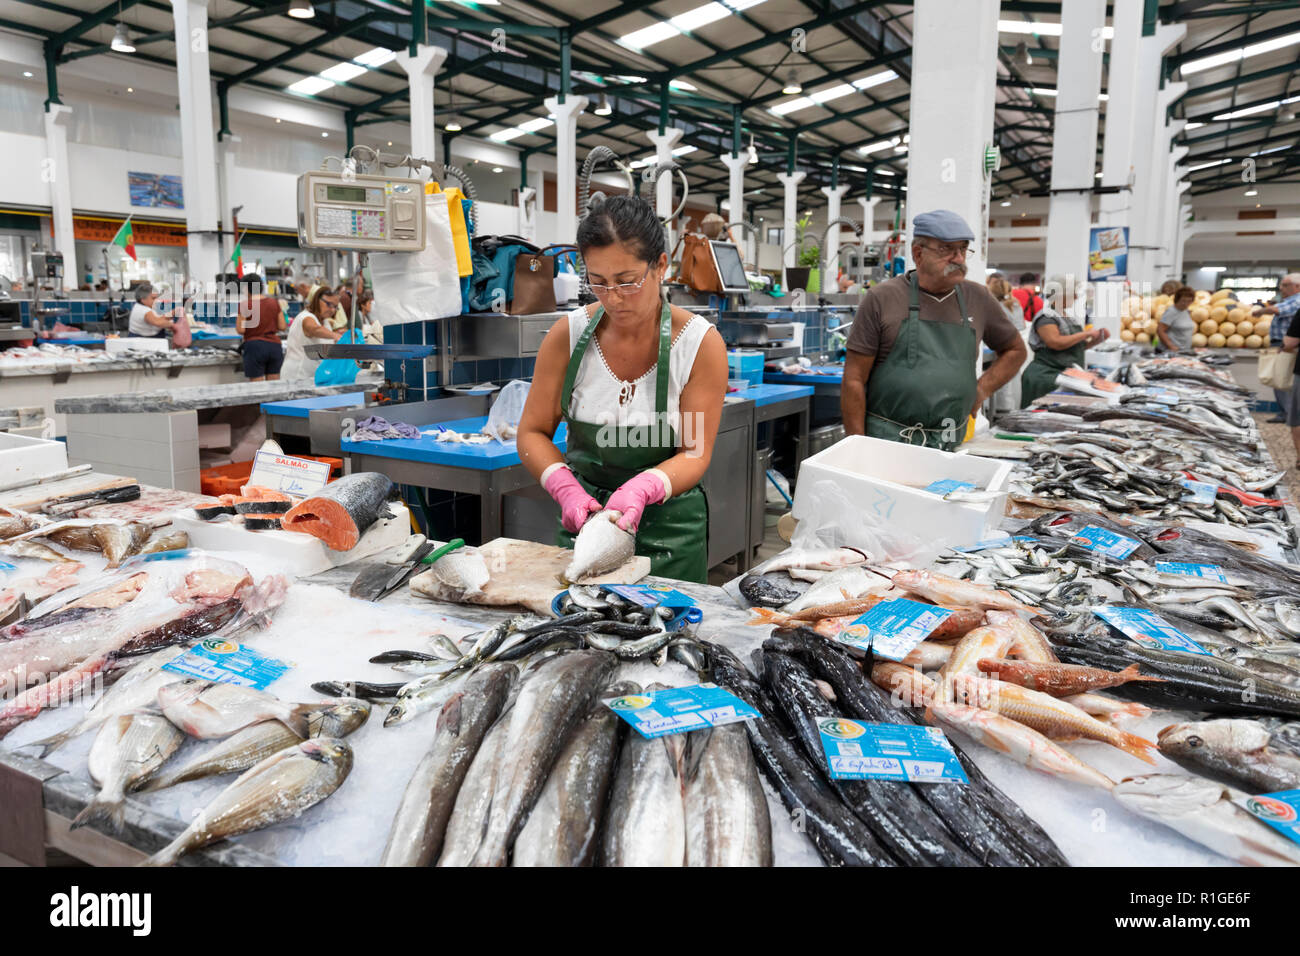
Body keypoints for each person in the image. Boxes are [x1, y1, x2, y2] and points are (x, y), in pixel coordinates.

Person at [517, 195, 728, 583]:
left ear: (660, 266)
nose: (612, 297)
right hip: (587, 528)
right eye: (598, 282)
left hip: (670, 535)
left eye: (627, 281)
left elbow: (694, 452)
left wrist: (646, 486)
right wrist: (564, 488)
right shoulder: (567, 337)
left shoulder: (699, 346)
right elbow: (532, 432)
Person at [840, 210, 1028, 450]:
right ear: (918, 253)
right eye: (947, 250)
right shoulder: (882, 298)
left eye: (962, 249)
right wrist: (856, 449)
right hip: (888, 443)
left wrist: (981, 390)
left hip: (952, 441)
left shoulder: (978, 297)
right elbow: (853, 379)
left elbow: (1015, 350)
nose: (959, 258)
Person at [1020, 274, 1109, 407]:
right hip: (1045, 377)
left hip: (1064, 376)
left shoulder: (1067, 317)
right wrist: (1085, 334)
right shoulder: (1047, 316)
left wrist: (1098, 339)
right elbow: (1055, 342)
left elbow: (1075, 347)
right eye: (1073, 294)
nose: (1076, 297)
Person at [281, 285, 342, 381]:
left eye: (335, 307)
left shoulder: (325, 321)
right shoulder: (306, 317)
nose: (332, 310)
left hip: (312, 376)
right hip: (297, 376)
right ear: (317, 300)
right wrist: (335, 336)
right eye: (329, 304)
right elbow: (314, 329)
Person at [1261, 275, 1300, 421]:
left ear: (1297, 286)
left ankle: (1289, 414)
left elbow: (1278, 310)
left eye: (1285, 285)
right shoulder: (1290, 300)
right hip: (1283, 344)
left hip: (1288, 345)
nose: (1281, 288)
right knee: (1280, 379)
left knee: (1283, 379)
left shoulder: (1297, 300)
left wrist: (1259, 311)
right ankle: (1287, 413)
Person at [236, 273, 286, 381]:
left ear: (245, 288)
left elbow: (240, 329)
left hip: (255, 347)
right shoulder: (274, 303)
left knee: (258, 388)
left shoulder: (246, 304)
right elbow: (282, 326)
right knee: (274, 386)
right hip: (274, 346)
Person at [1157, 286, 1198, 353]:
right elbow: (1160, 330)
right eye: (1183, 300)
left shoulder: (1186, 311)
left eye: (1189, 301)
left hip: (1183, 350)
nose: (1186, 303)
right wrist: (1171, 346)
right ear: (1177, 299)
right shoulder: (1171, 311)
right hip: (1170, 352)